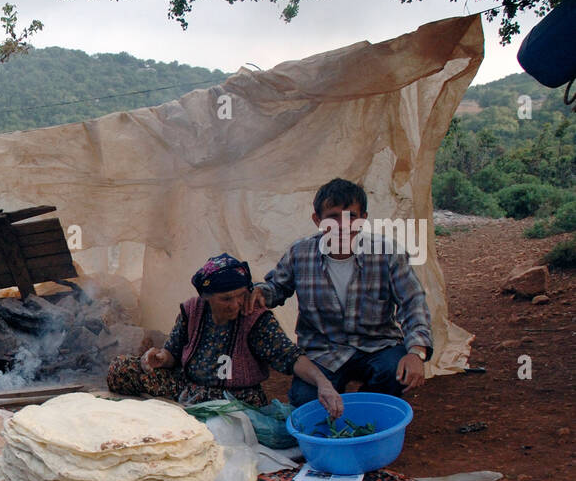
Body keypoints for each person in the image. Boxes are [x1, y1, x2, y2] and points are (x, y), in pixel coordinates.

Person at [247, 178, 433, 408]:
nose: (342, 224)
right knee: (305, 400)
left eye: (351, 216)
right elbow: (277, 287)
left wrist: (417, 352)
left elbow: (412, 302)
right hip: (324, 349)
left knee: (392, 375)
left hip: (377, 345)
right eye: (333, 216)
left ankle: (367, 410)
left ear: (363, 219)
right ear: (317, 220)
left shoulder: (387, 253)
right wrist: (261, 293)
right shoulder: (300, 253)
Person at [107, 253, 343, 416]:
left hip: (235, 401)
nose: (236, 304)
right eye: (226, 299)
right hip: (188, 388)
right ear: (207, 298)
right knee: (122, 368)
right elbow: (172, 352)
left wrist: (323, 383)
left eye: (241, 295)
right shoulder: (192, 310)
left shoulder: (255, 318)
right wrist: (160, 357)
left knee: (220, 428)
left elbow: (291, 356)